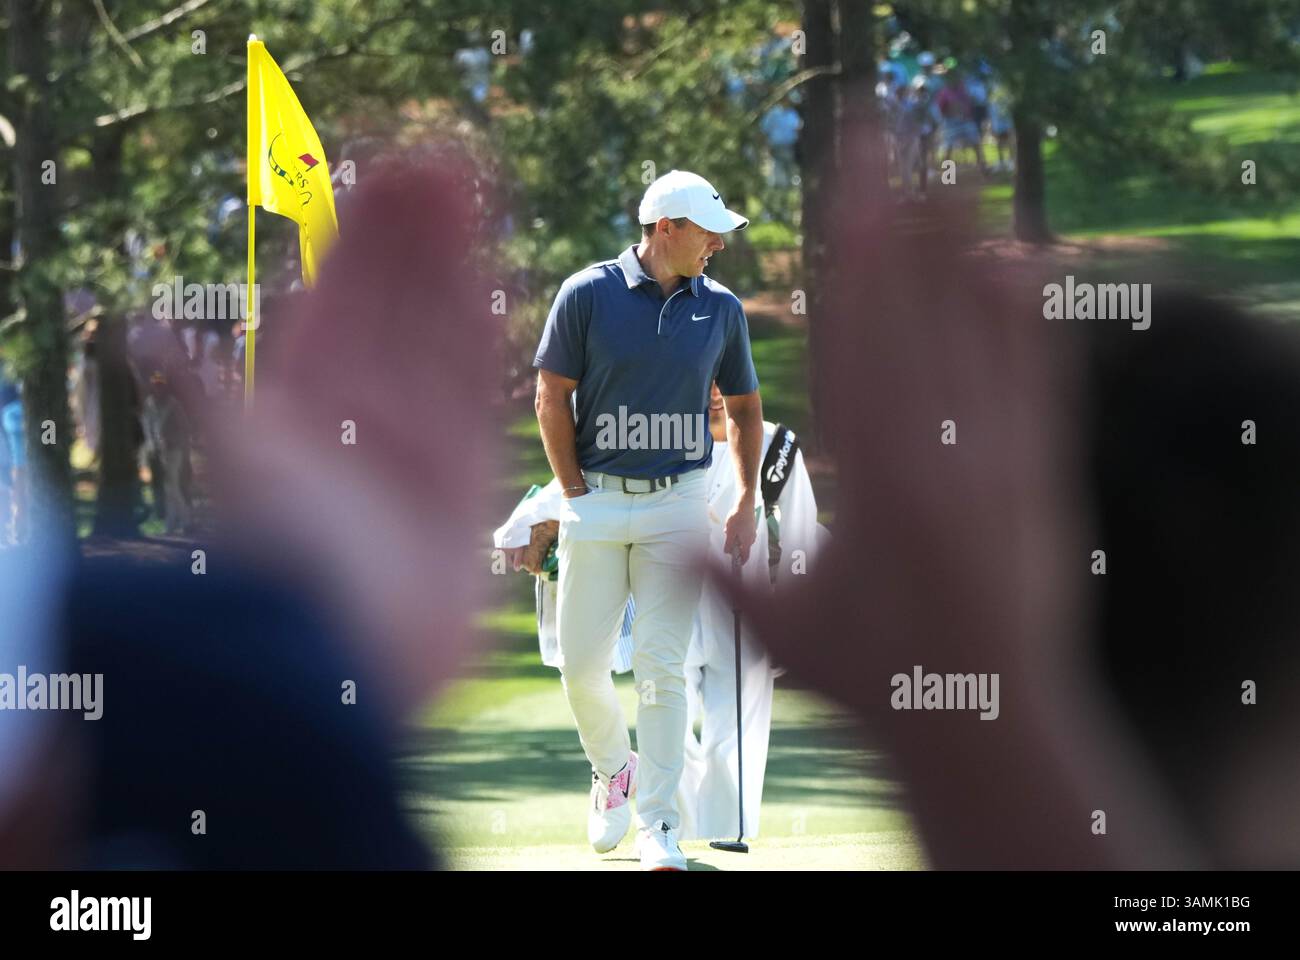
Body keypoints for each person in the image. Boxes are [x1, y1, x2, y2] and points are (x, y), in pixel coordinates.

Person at [532, 169, 763, 870]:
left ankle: (659, 828)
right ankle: (613, 771)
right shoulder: (587, 293)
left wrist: (747, 497)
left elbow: (746, 407)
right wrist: (574, 492)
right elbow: (550, 397)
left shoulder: (720, 308)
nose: (717, 246)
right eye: (707, 233)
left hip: (679, 503)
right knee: (581, 666)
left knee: (663, 669)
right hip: (596, 500)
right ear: (666, 228)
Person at [496, 383, 824, 842]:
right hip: (670, 603)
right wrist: (526, 519)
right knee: (670, 724)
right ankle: (678, 836)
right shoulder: (657, 435)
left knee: (738, 737)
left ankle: (730, 838)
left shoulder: (775, 449)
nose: (712, 393)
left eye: (723, 380)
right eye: (703, 378)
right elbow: (593, 476)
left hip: (745, 616)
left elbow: (803, 534)